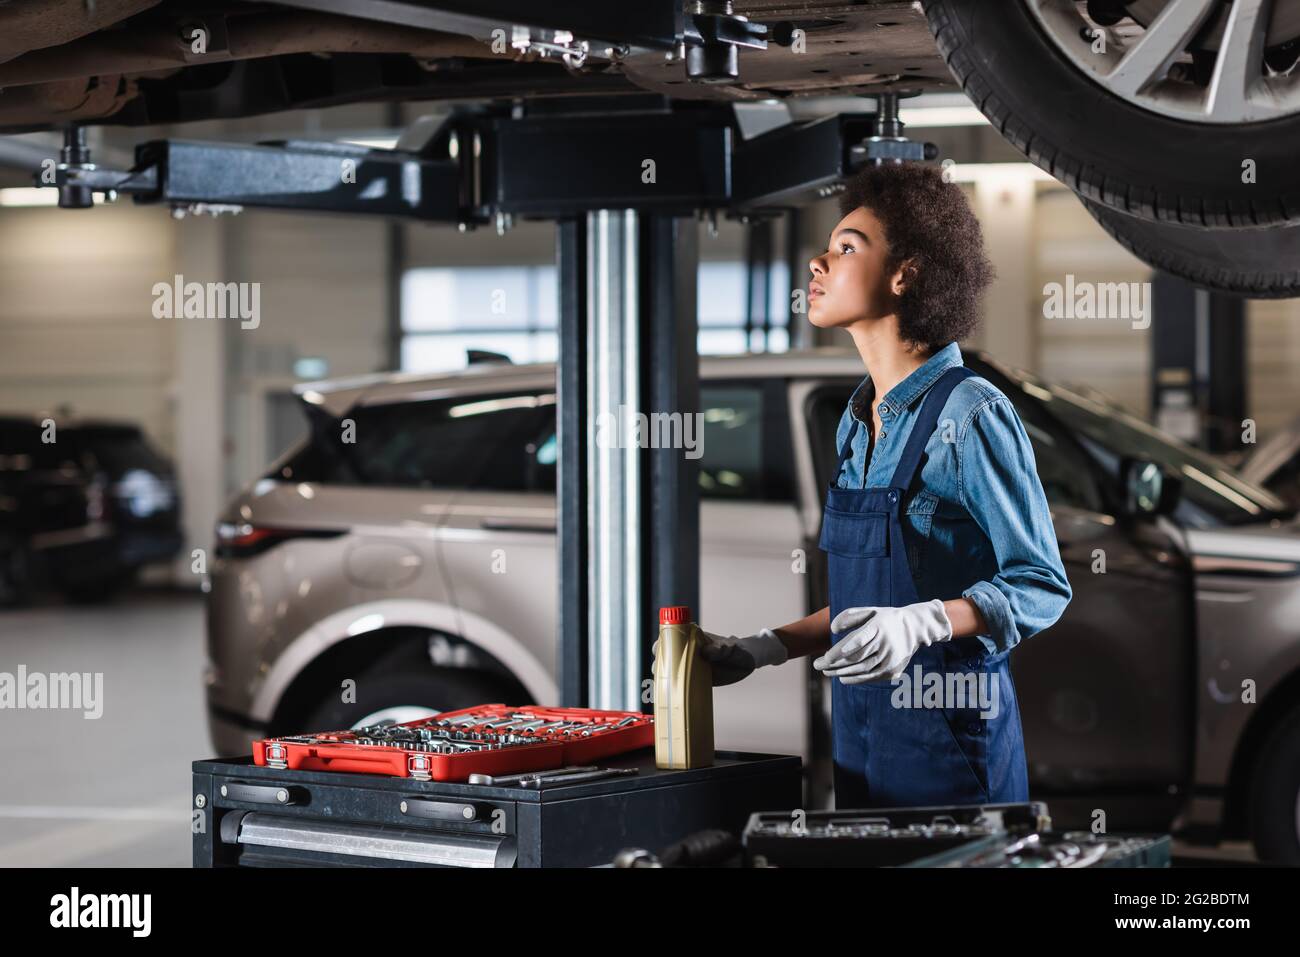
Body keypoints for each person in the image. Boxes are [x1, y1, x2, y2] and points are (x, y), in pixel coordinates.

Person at [695, 161, 1071, 808]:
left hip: (950, 745)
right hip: (862, 743)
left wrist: (922, 623)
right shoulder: (857, 419)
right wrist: (765, 647)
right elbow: (867, 604)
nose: (817, 263)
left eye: (846, 248)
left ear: (906, 274)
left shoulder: (971, 413)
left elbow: (1039, 586)